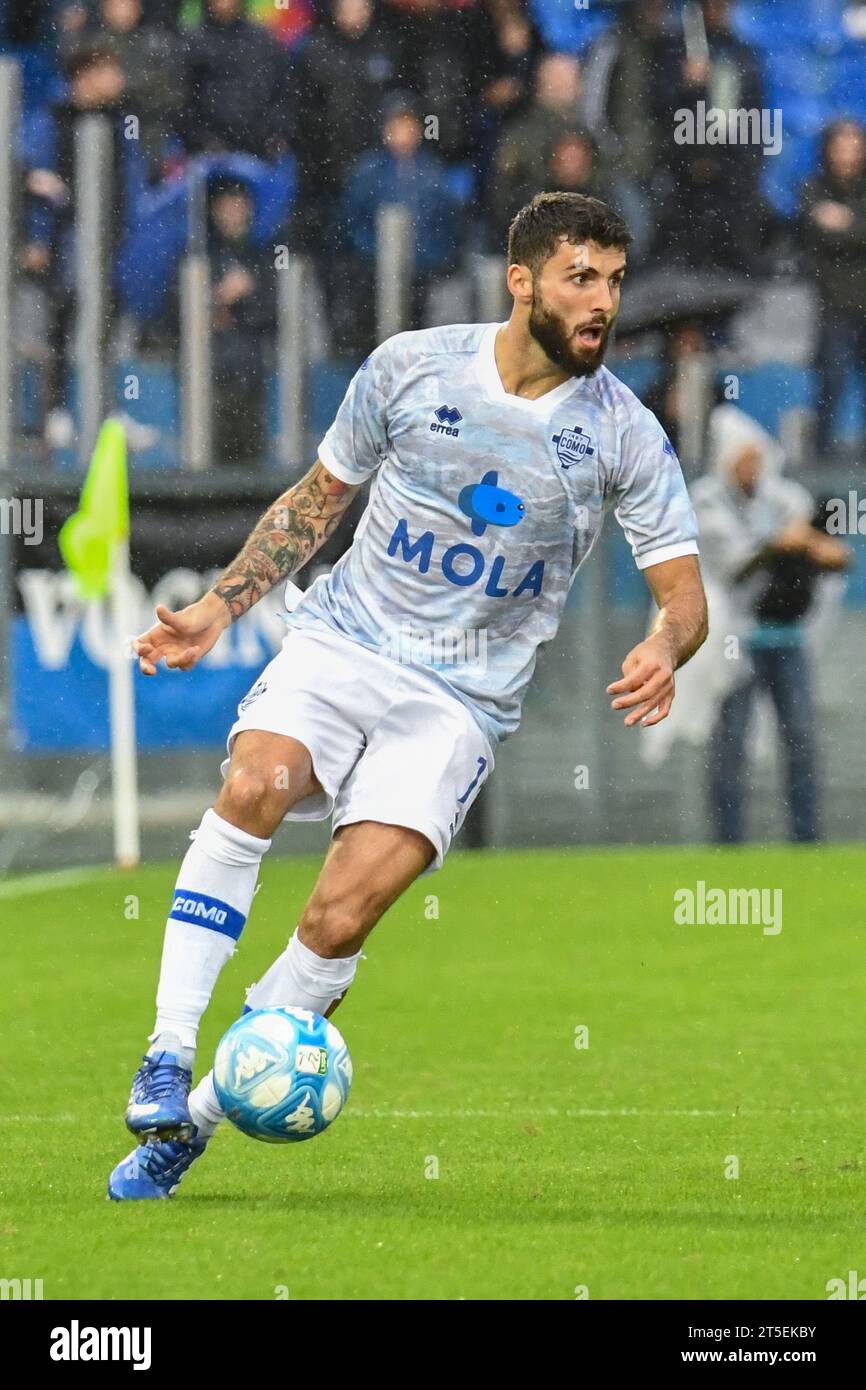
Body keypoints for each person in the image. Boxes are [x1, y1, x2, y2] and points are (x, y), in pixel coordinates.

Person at [107, 191, 707, 1199]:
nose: (600, 301)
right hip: (343, 641)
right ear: (520, 283)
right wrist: (216, 606)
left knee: (339, 918)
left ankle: (197, 1117)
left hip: (458, 702)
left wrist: (664, 646)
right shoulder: (411, 366)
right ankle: (166, 1050)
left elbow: (683, 599)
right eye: (579, 278)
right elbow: (316, 499)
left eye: (611, 279)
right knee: (256, 783)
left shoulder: (621, 436)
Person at [692, 405, 849, 844]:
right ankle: (728, 843)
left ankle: (807, 839)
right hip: (735, 643)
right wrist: (784, 543)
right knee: (730, 745)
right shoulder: (707, 499)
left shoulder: (783, 497)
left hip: (787, 638)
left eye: (757, 459)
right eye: (743, 459)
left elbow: (828, 550)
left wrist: (814, 544)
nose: (752, 469)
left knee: (801, 740)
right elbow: (733, 563)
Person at [798, 118, 866, 453]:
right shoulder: (812, 187)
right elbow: (814, 237)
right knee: (830, 384)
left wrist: (847, 223)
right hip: (835, 304)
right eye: (841, 145)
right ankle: (819, 461)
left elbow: (841, 234)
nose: (848, 154)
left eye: (854, 145)